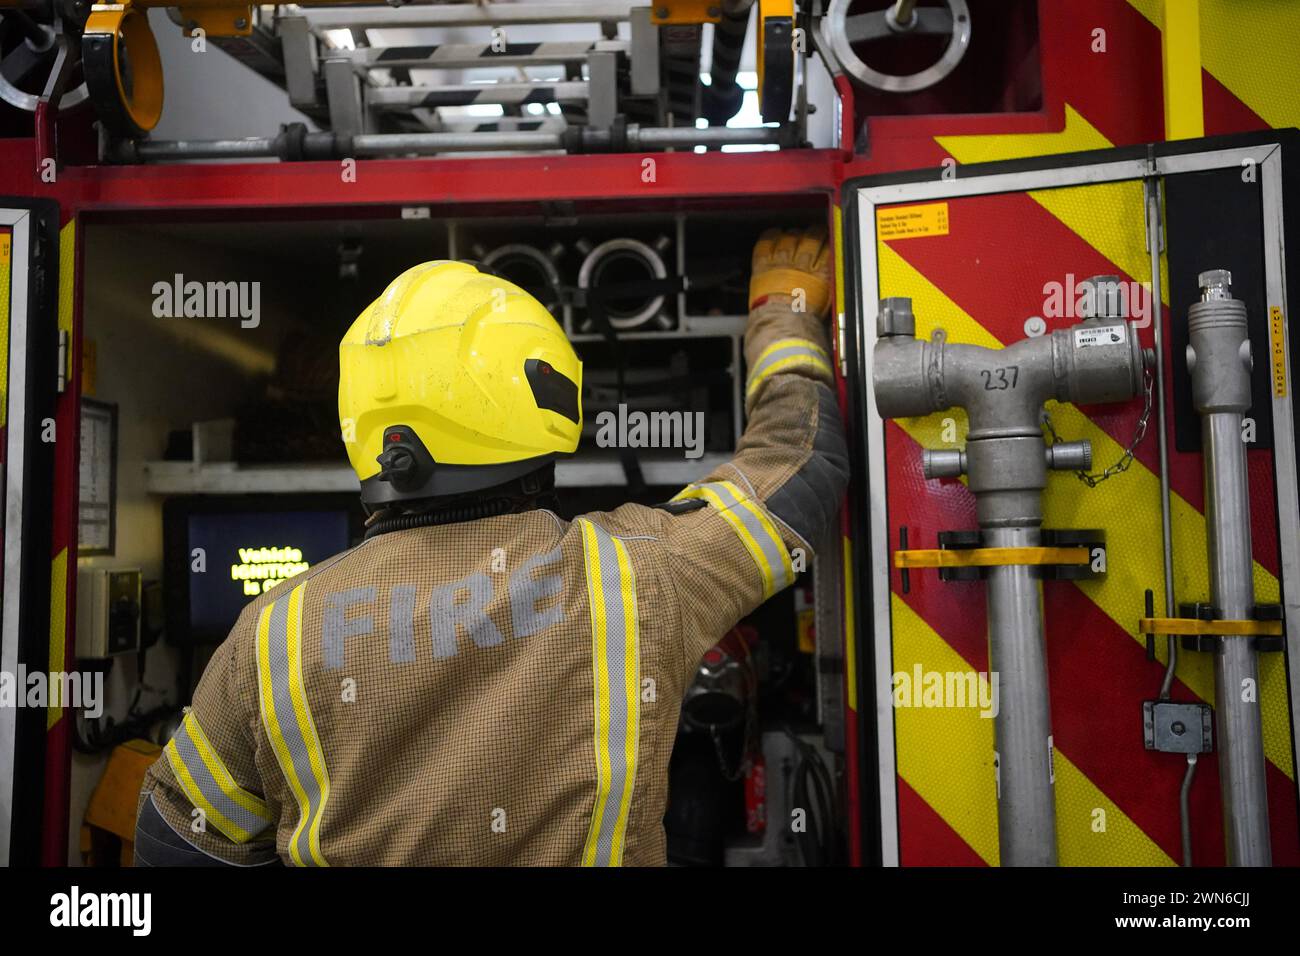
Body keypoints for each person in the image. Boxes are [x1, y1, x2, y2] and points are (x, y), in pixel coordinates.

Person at [133, 226, 849, 866]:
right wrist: (780, 320)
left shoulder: (272, 636)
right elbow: (800, 473)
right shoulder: (634, 578)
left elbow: (179, 840)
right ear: (545, 403)